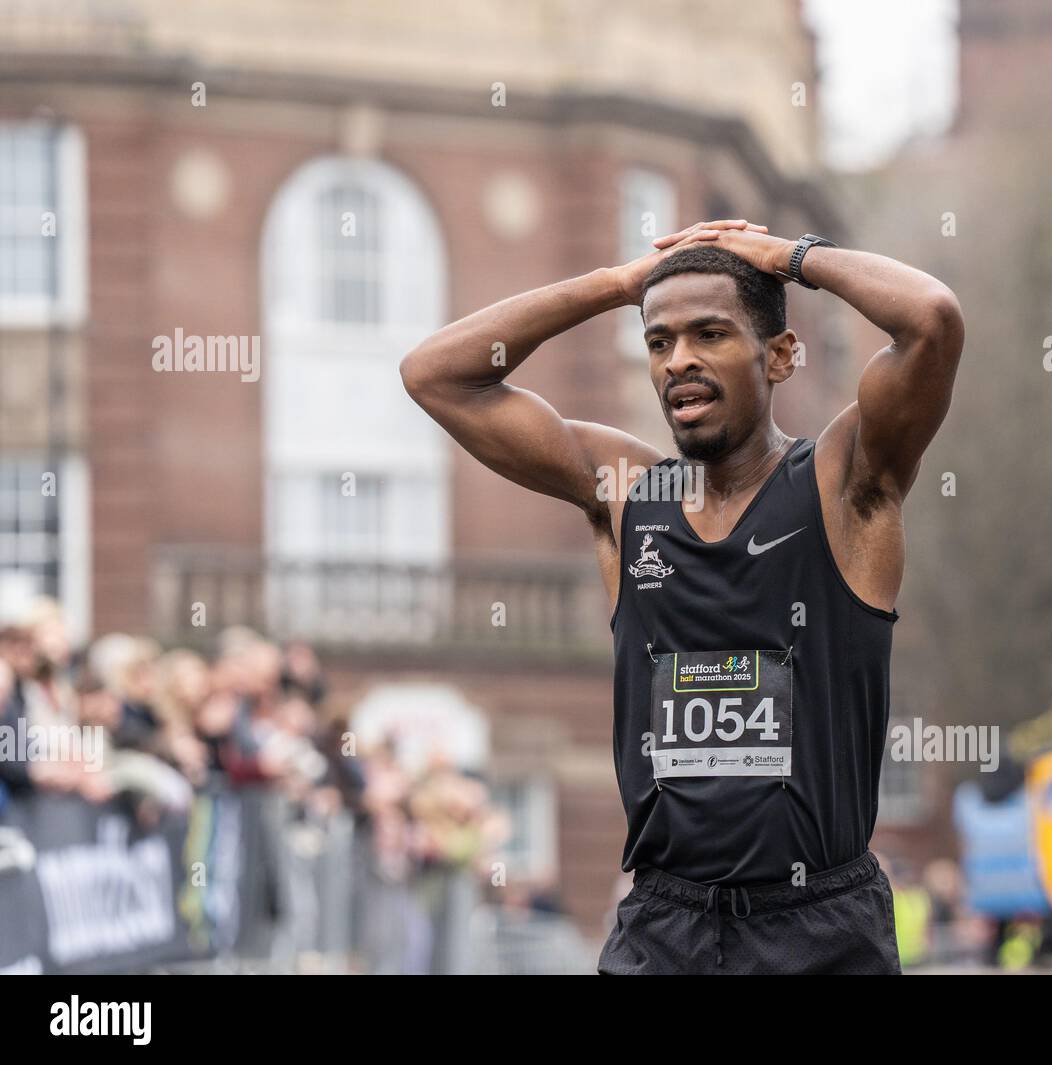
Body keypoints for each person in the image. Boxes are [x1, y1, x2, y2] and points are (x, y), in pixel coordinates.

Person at [401, 219, 964, 973]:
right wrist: (615, 285)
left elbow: (930, 319)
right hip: (664, 929)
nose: (681, 361)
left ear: (781, 354)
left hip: (819, 930)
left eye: (710, 333)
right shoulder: (626, 493)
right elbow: (435, 374)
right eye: (659, 342)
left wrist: (786, 258)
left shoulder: (845, 485)